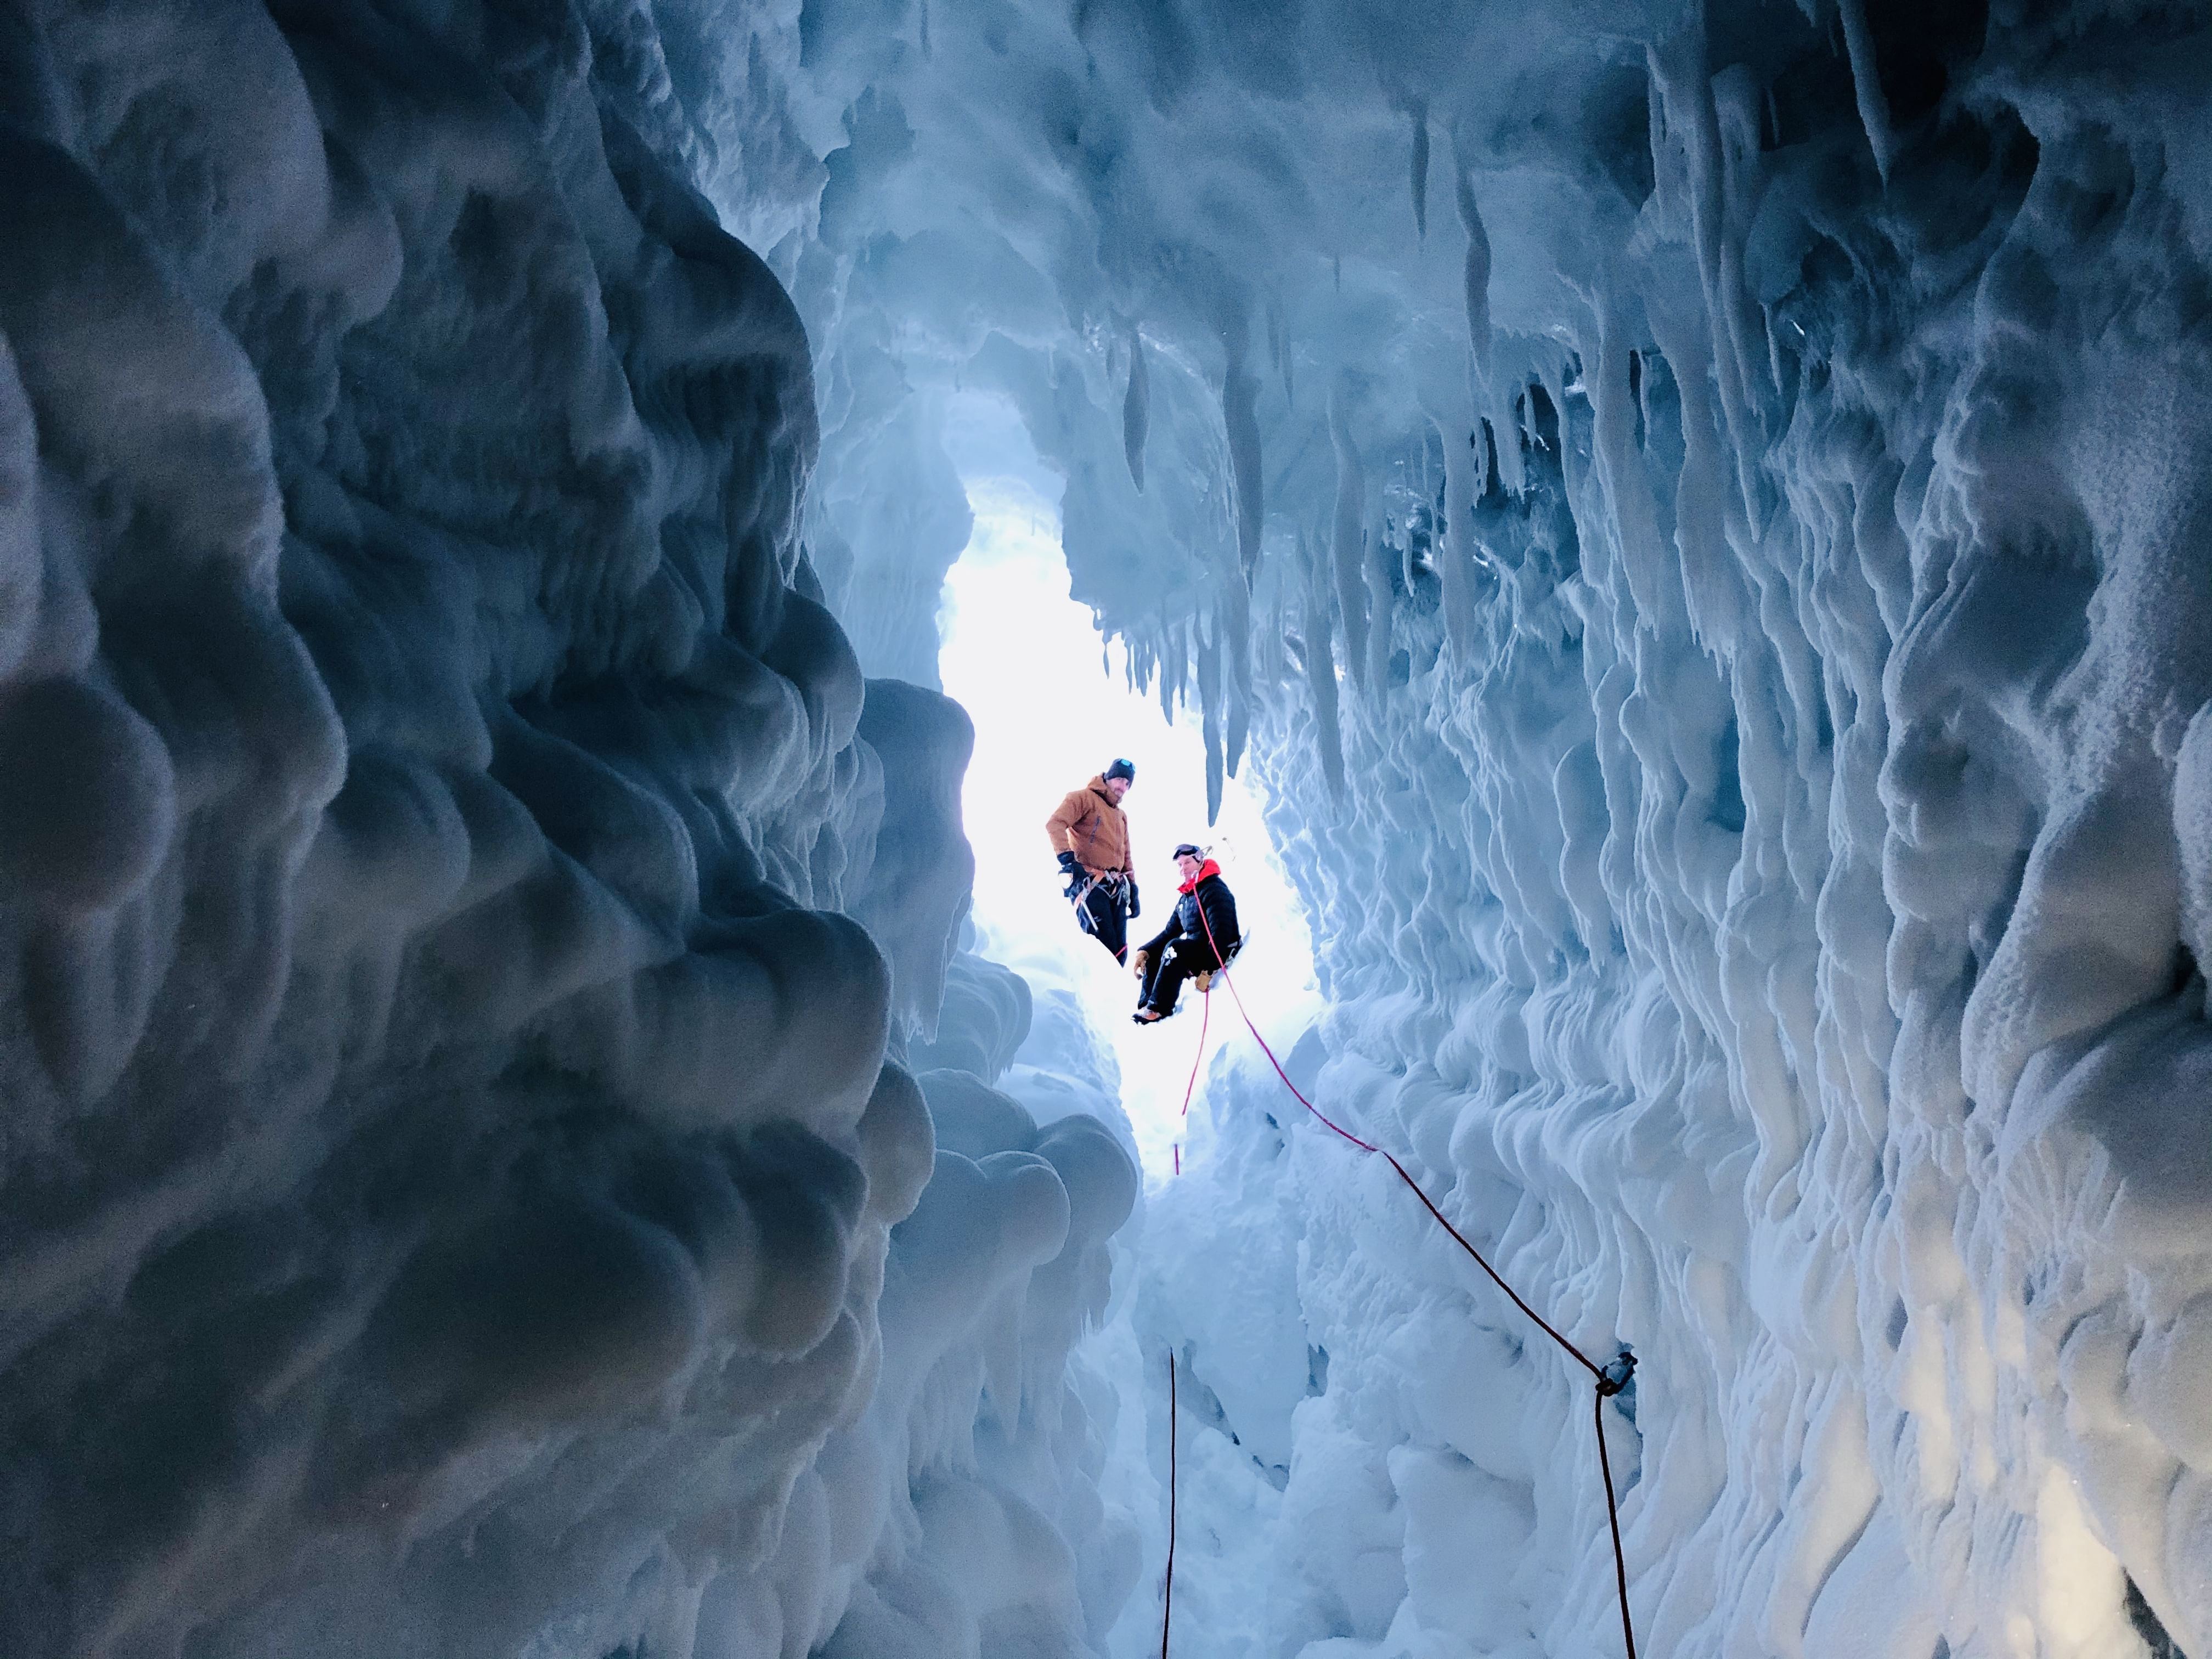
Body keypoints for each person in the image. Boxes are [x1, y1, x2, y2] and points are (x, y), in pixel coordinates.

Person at [1131, 843, 1240, 1023]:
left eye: (1187, 862)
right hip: (1196, 952)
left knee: (1175, 948)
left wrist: (1209, 970)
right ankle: (1147, 1005)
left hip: (1217, 953)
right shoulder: (1186, 898)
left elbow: (1221, 933)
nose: (1183, 869)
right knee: (1156, 953)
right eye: (1180, 865)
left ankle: (1159, 1008)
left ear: (1200, 860)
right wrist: (1144, 951)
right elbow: (1170, 931)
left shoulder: (1214, 890)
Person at [1046, 758, 1139, 963]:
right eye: (1120, 779)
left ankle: (1114, 995)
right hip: (1088, 883)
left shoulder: (1121, 816)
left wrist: (1133, 888)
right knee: (1103, 950)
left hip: (1116, 888)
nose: (1123, 787)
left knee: (1120, 953)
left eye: (1128, 784)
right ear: (1109, 776)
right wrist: (1067, 859)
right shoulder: (1083, 798)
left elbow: (1126, 856)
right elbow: (1055, 823)